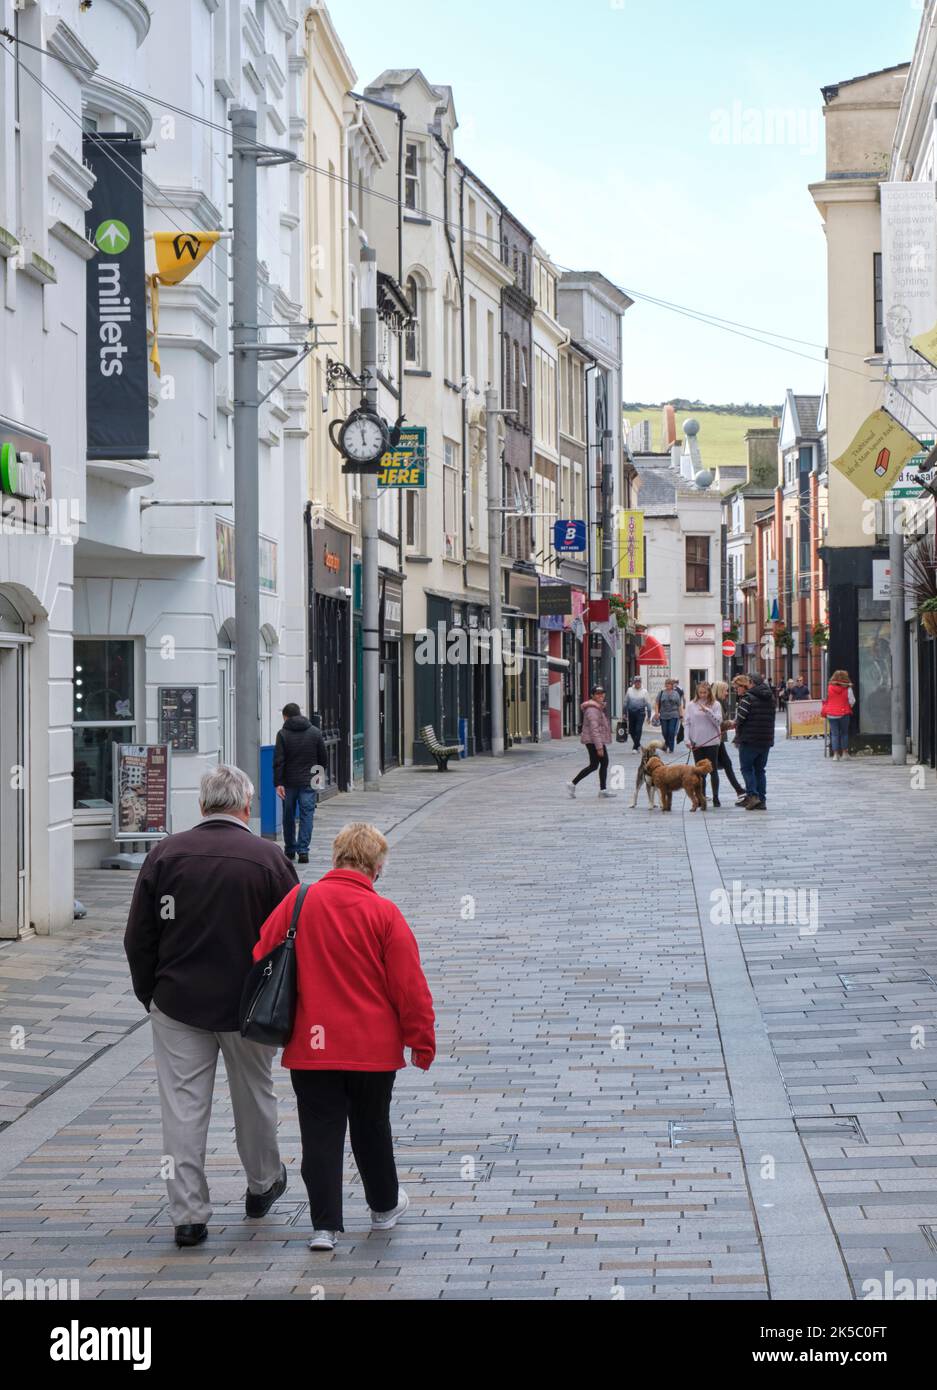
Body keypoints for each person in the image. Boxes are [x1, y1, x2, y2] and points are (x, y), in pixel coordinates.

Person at [124, 765, 299, 1248]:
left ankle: (188, 1215)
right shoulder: (269, 859)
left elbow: (139, 935)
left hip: (179, 1002)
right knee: (255, 1097)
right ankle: (263, 1184)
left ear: (201, 806)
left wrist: (151, 995)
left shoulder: (165, 855)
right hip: (251, 1005)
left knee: (182, 1108)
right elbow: (292, 937)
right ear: (246, 805)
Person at [253, 823, 435, 1253]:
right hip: (373, 1048)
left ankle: (324, 1227)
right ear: (376, 866)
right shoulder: (384, 913)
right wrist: (421, 1039)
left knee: (320, 1132)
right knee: (372, 1127)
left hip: (311, 1046)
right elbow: (409, 986)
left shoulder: (299, 901)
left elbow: (262, 953)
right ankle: (384, 1207)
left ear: (336, 858)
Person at [274, 703, 328, 865]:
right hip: (308, 781)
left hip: (289, 782)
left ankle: (290, 850)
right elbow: (323, 758)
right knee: (307, 815)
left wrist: (278, 783)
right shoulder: (315, 732)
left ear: (286, 716)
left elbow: (279, 761)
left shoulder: (282, 734)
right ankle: (303, 850)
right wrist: (318, 776)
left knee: (288, 816)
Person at [733, 672, 776, 810]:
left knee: (746, 769)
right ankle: (761, 799)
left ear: (751, 683)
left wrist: (731, 725)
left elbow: (740, 719)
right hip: (765, 739)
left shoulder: (748, 698)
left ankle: (753, 796)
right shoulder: (771, 698)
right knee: (760, 770)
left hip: (749, 739)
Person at [568, 687, 614, 797]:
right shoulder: (592, 710)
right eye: (598, 694)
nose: (601, 696)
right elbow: (594, 730)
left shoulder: (597, 708)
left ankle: (601, 789)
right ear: (592, 695)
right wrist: (599, 747)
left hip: (595, 740)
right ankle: (573, 783)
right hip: (594, 741)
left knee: (597, 764)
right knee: (600, 764)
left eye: (602, 694)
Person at [684, 680, 724, 806]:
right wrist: (687, 739)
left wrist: (707, 710)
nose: (702, 695)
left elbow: (718, 721)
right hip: (697, 742)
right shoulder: (691, 705)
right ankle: (701, 797)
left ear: (709, 692)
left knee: (713, 770)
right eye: (700, 693)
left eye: (705, 693)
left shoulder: (715, 704)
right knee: (699, 772)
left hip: (711, 741)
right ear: (697, 692)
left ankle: (716, 797)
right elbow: (687, 723)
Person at [711, 680, 746, 801]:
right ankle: (738, 790)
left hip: (719, 739)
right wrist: (730, 723)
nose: (727, 693)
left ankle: (739, 790)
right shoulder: (716, 704)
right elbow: (717, 723)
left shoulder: (722, 702)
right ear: (720, 690)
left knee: (726, 764)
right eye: (725, 690)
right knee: (714, 767)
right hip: (714, 739)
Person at [822, 668, 855, 761]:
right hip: (844, 712)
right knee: (844, 733)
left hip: (831, 714)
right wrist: (848, 706)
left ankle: (835, 755)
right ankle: (845, 753)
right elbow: (852, 701)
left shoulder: (829, 687)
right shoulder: (848, 688)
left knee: (834, 734)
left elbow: (825, 699)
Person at [623, 676, 653, 751]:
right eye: (636, 682)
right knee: (631, 730)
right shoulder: (629, 690)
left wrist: (649, 716)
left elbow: (648, 704)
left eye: (639, 682)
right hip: (631, 712)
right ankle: (638, 744)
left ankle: (635, 747)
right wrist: (624, 713)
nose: (637, 683)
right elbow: (625, 702)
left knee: (638, 729)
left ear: (641, 682)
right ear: (634, 682)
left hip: (641, 712)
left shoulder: (644, 691)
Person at [655, 679, 684, 753]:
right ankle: (667, 743)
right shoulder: (661, 693)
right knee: (665, 732)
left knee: (671, 731)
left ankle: (671, 748)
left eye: (669, 684)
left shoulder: (676, 693)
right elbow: (657, 703)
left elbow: (679, 705)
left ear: (672, 685)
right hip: (663, 715)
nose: (667, 685)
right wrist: (656, 713)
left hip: (674, 714)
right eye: (666, 684)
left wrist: (681, 715)